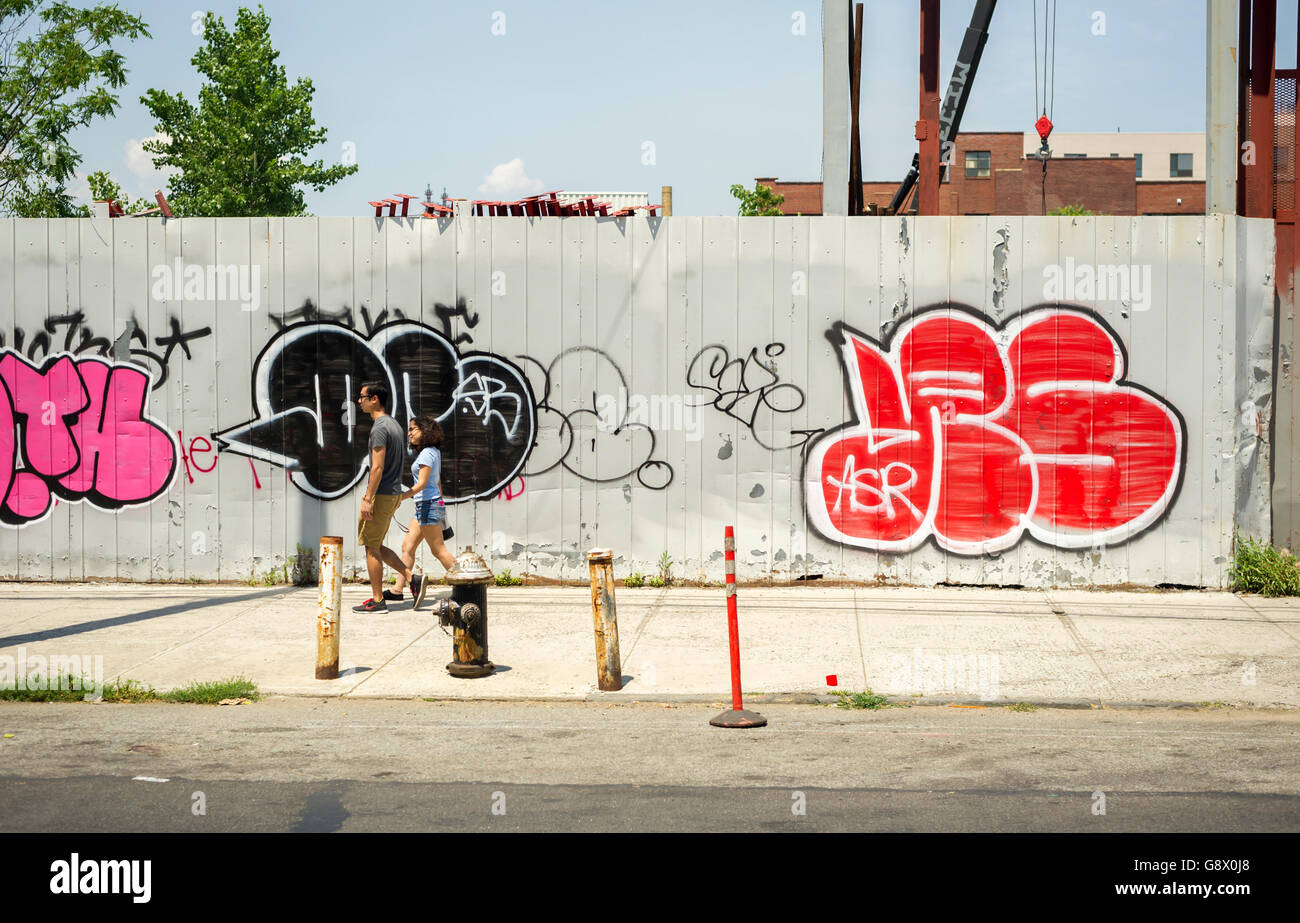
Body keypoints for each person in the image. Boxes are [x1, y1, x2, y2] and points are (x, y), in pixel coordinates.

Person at [353, 381, 428, 612]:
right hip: (392, 493)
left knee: (370, 547)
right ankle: (411, 577)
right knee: (375, 544)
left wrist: (368, 498)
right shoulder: (394, 425)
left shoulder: (380, 428)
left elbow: (377, 467)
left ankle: (377, 601)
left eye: (362, 396)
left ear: (374, 399)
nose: (359, 400)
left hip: (382, 494)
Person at [389, 414, 458, 598]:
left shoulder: (427, 454)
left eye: (413, 429)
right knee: (408, 547)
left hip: (427, 506)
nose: (409, 433)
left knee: (438, 550)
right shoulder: (432, 452)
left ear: (424, 430)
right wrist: (441, 505)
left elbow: (421, 484)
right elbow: (437, 484)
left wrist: (399, 498)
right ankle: (397, 589)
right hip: (426, 506)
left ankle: (466, 586)